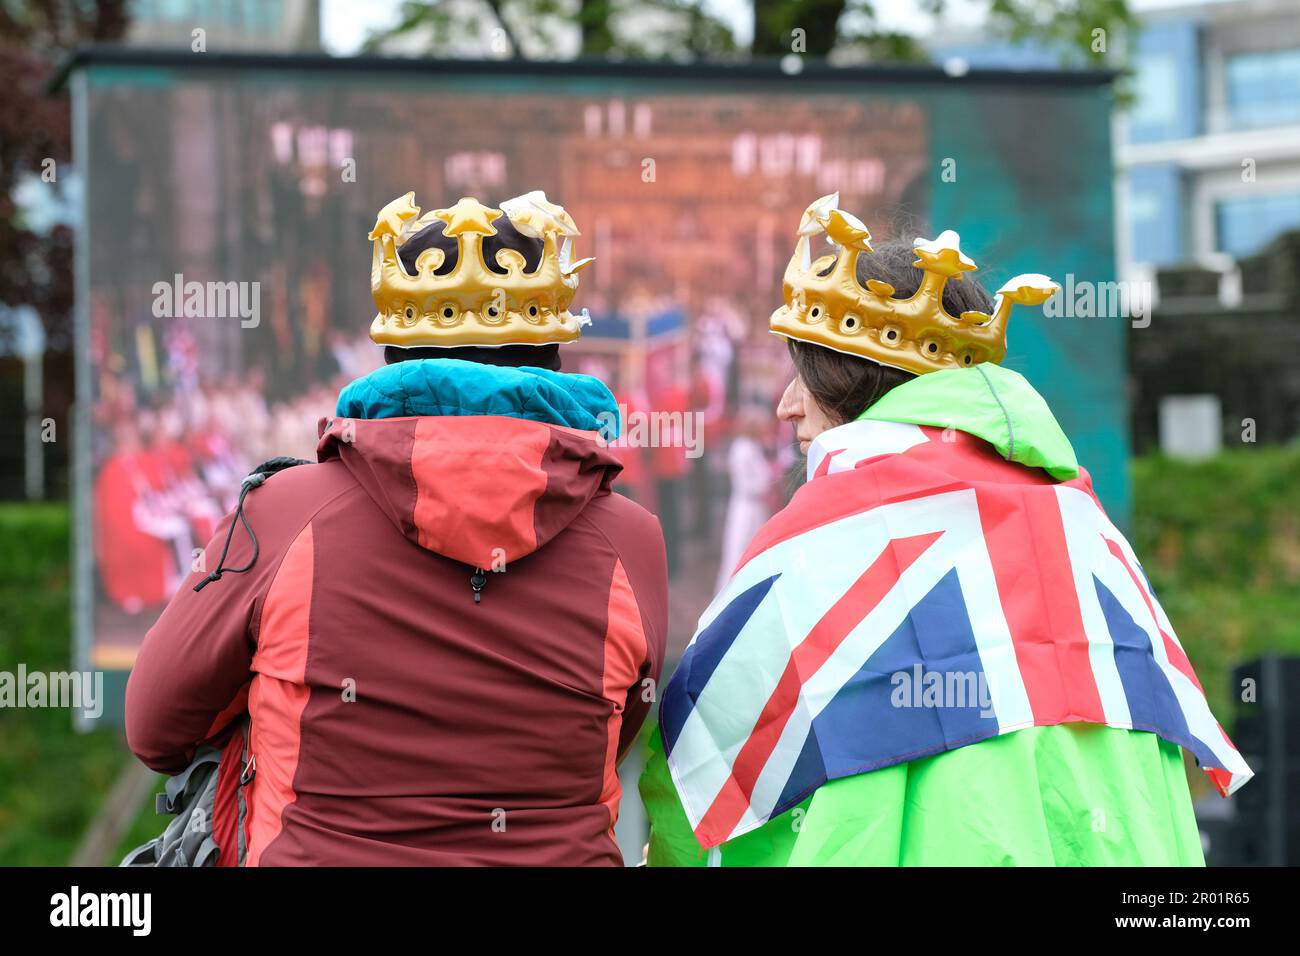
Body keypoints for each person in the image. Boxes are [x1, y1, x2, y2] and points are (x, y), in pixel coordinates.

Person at [640, 193, 1251, 866]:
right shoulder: (1090, 527)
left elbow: (698, 772)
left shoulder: (826, 537)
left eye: (802, 377)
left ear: (846, 382)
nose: (787, 407)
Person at [126, 190, 668, 866]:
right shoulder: (633, 540)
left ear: (390, 357)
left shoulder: (283, 512)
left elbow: (156, 729)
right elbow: (609, 732)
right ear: (555, 355)